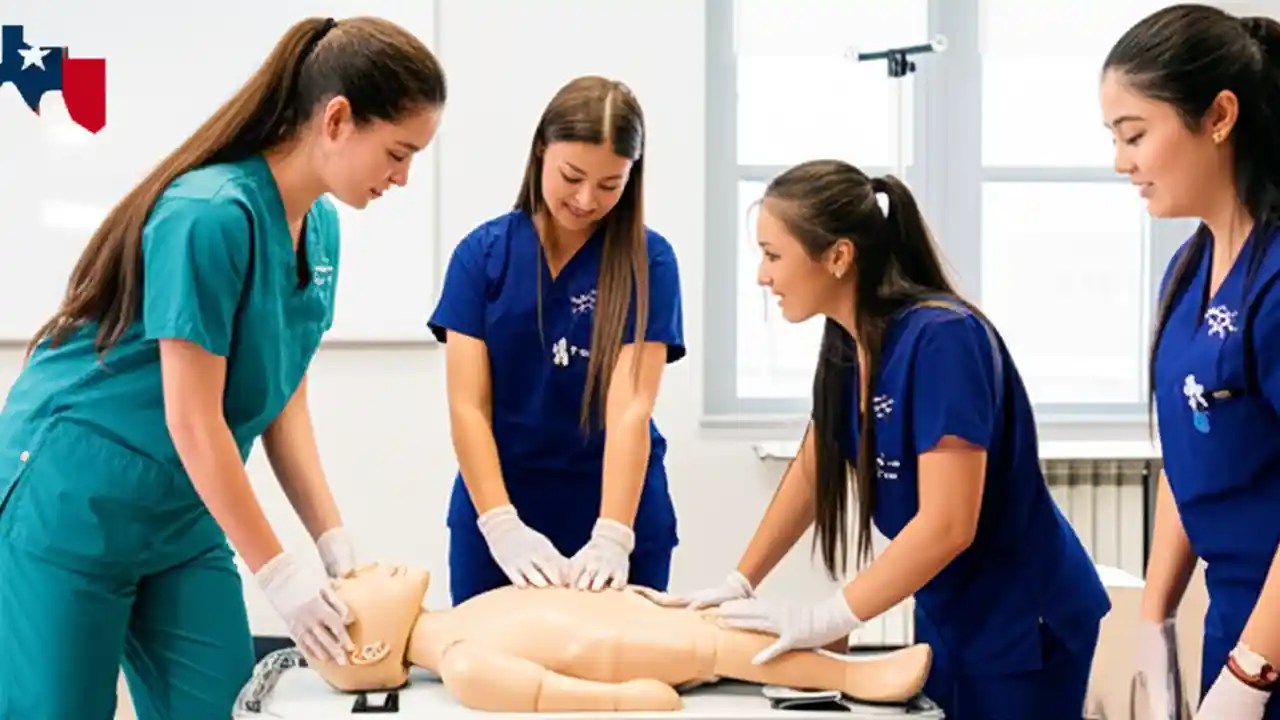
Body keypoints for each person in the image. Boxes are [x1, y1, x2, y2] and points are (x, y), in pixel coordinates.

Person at [0, 16, 446, 720]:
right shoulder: (207, 215)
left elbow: (283, 397)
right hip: (76, 500)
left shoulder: (320, 228)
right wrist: (280, 576)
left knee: (224, 706)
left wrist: (332, 542)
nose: (403, 176)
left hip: (181, 511)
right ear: (336, 119)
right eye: (398, 152)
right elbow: (193, 418)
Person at [664, 160, 1111, 719]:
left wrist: (831, 615)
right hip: (949, 604)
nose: (762, 276)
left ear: (838, 256)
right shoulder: (847, 344)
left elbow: (949, 523)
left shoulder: (943, 339)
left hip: (1021, 614)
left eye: (773, 255)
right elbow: (815, 467)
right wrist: (741, 580)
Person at [428, 75, 685, 605]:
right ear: (541, 149)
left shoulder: (650, 262)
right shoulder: (482, 256)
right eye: (572, 176)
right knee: (488, 652)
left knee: (619, 653)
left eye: (610, 184)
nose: (587, 199)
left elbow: (631, 408)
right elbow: (468, 407)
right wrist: (500, 524)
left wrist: (613, 534)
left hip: (615, 501)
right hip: (501, 499)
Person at [1101, 5, 1280, 719]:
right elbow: (1191, 447)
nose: (1122, 162)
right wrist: (1155, 620)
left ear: (1219, 117)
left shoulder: (1275, 279)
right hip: (1234, 621)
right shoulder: (1189, 269)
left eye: (1135, 135)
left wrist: (1252, 674)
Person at [292, 562, 934, 713]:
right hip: (630, 654)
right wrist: (625, 700)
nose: (355, 571)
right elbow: (542, 693)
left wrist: (630, 596)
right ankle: (853, 677)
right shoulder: (461, 662)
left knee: (735, 625)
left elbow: (555, 603)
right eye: (348, 588)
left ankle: (829, 653)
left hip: (634, 618)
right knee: (732, 647)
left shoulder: (464, 613)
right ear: (370, 651)